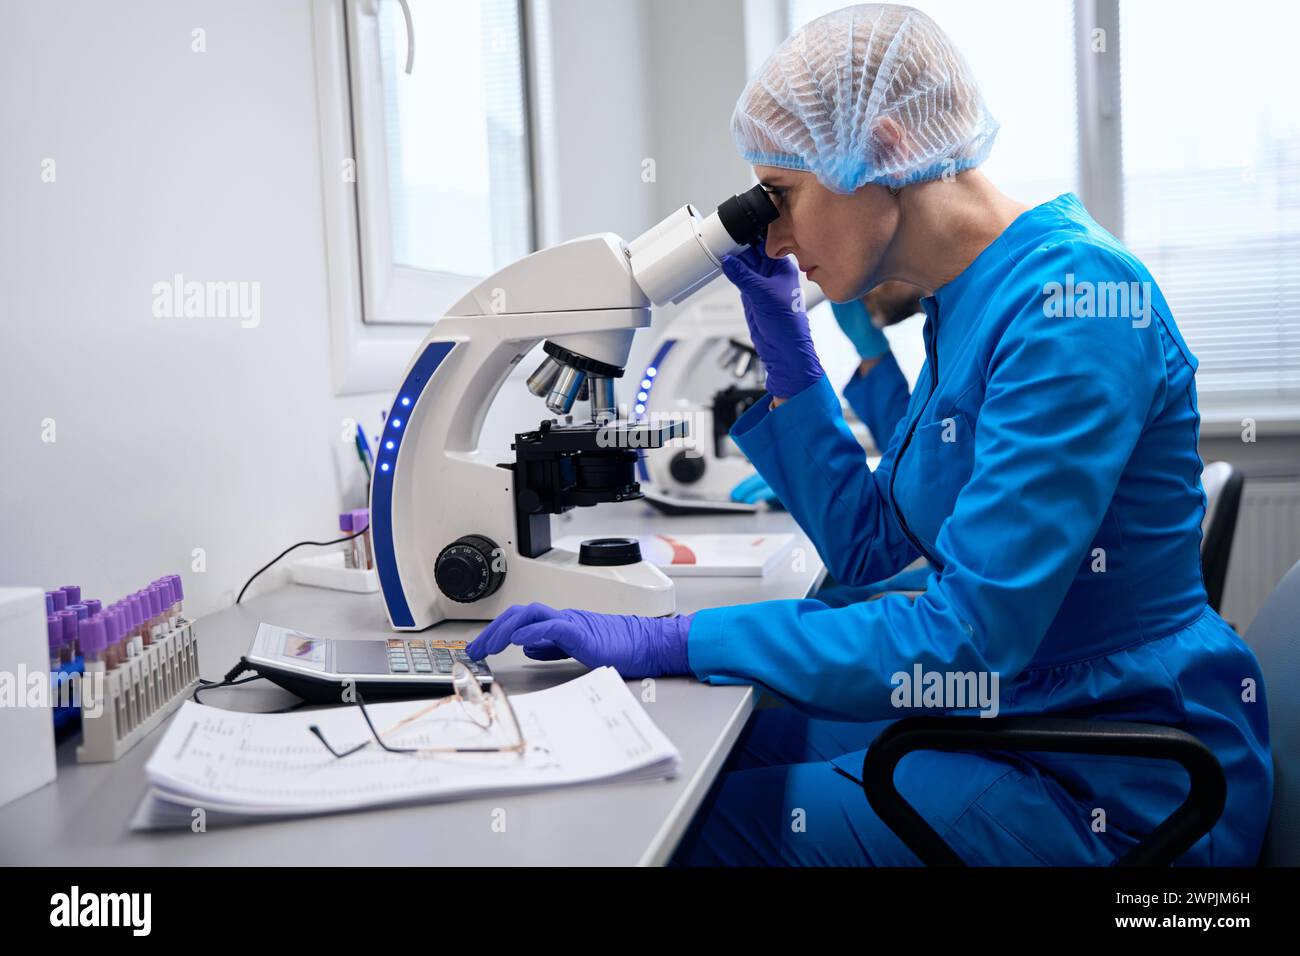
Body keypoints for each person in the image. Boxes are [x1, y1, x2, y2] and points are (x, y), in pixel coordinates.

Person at [469, 3, 1272, 865]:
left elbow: (967, 638)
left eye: (780, 196)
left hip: (1115, 779)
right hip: (1018, 720)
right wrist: (785, 341)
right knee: (664, 770)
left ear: (883, 148)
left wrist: (671, 639)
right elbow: (872, 546)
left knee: (671, 829)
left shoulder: (1068, 307)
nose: (771, 235)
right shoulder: (965, 302)